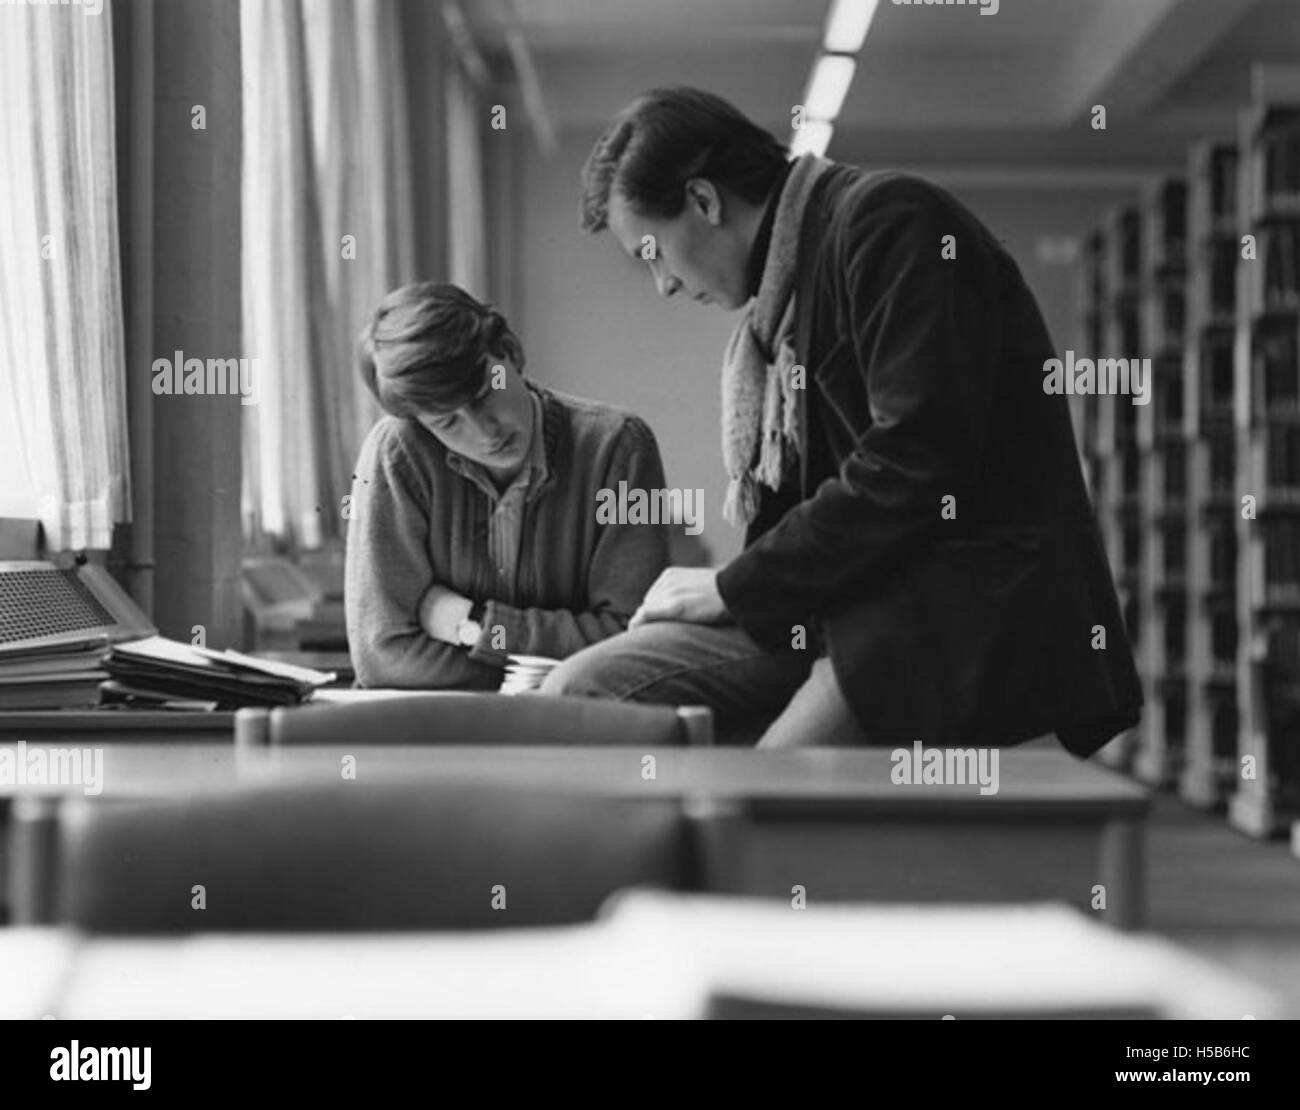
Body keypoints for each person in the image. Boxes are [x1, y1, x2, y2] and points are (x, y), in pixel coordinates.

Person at [541, 87, 1142, 756]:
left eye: (652, 252)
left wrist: (733, 586)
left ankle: (746, 839)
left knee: (757, 804)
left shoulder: (890, 223)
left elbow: (915, 461)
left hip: (947, 606)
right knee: (579, 693)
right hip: (841, 604)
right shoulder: (781, 302)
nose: (664, 285)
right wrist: (742, 591)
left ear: (705, 201)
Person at [345, 281, 669, 689]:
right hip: (433, 731)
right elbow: (383, 659)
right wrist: (536, 675)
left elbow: (634, 639)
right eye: (447, 423)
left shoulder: (620, 447)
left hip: (575, 727)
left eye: (484, 394)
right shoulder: (396, 455)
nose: (484, 432)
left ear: (511, 352)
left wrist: (471, 626)